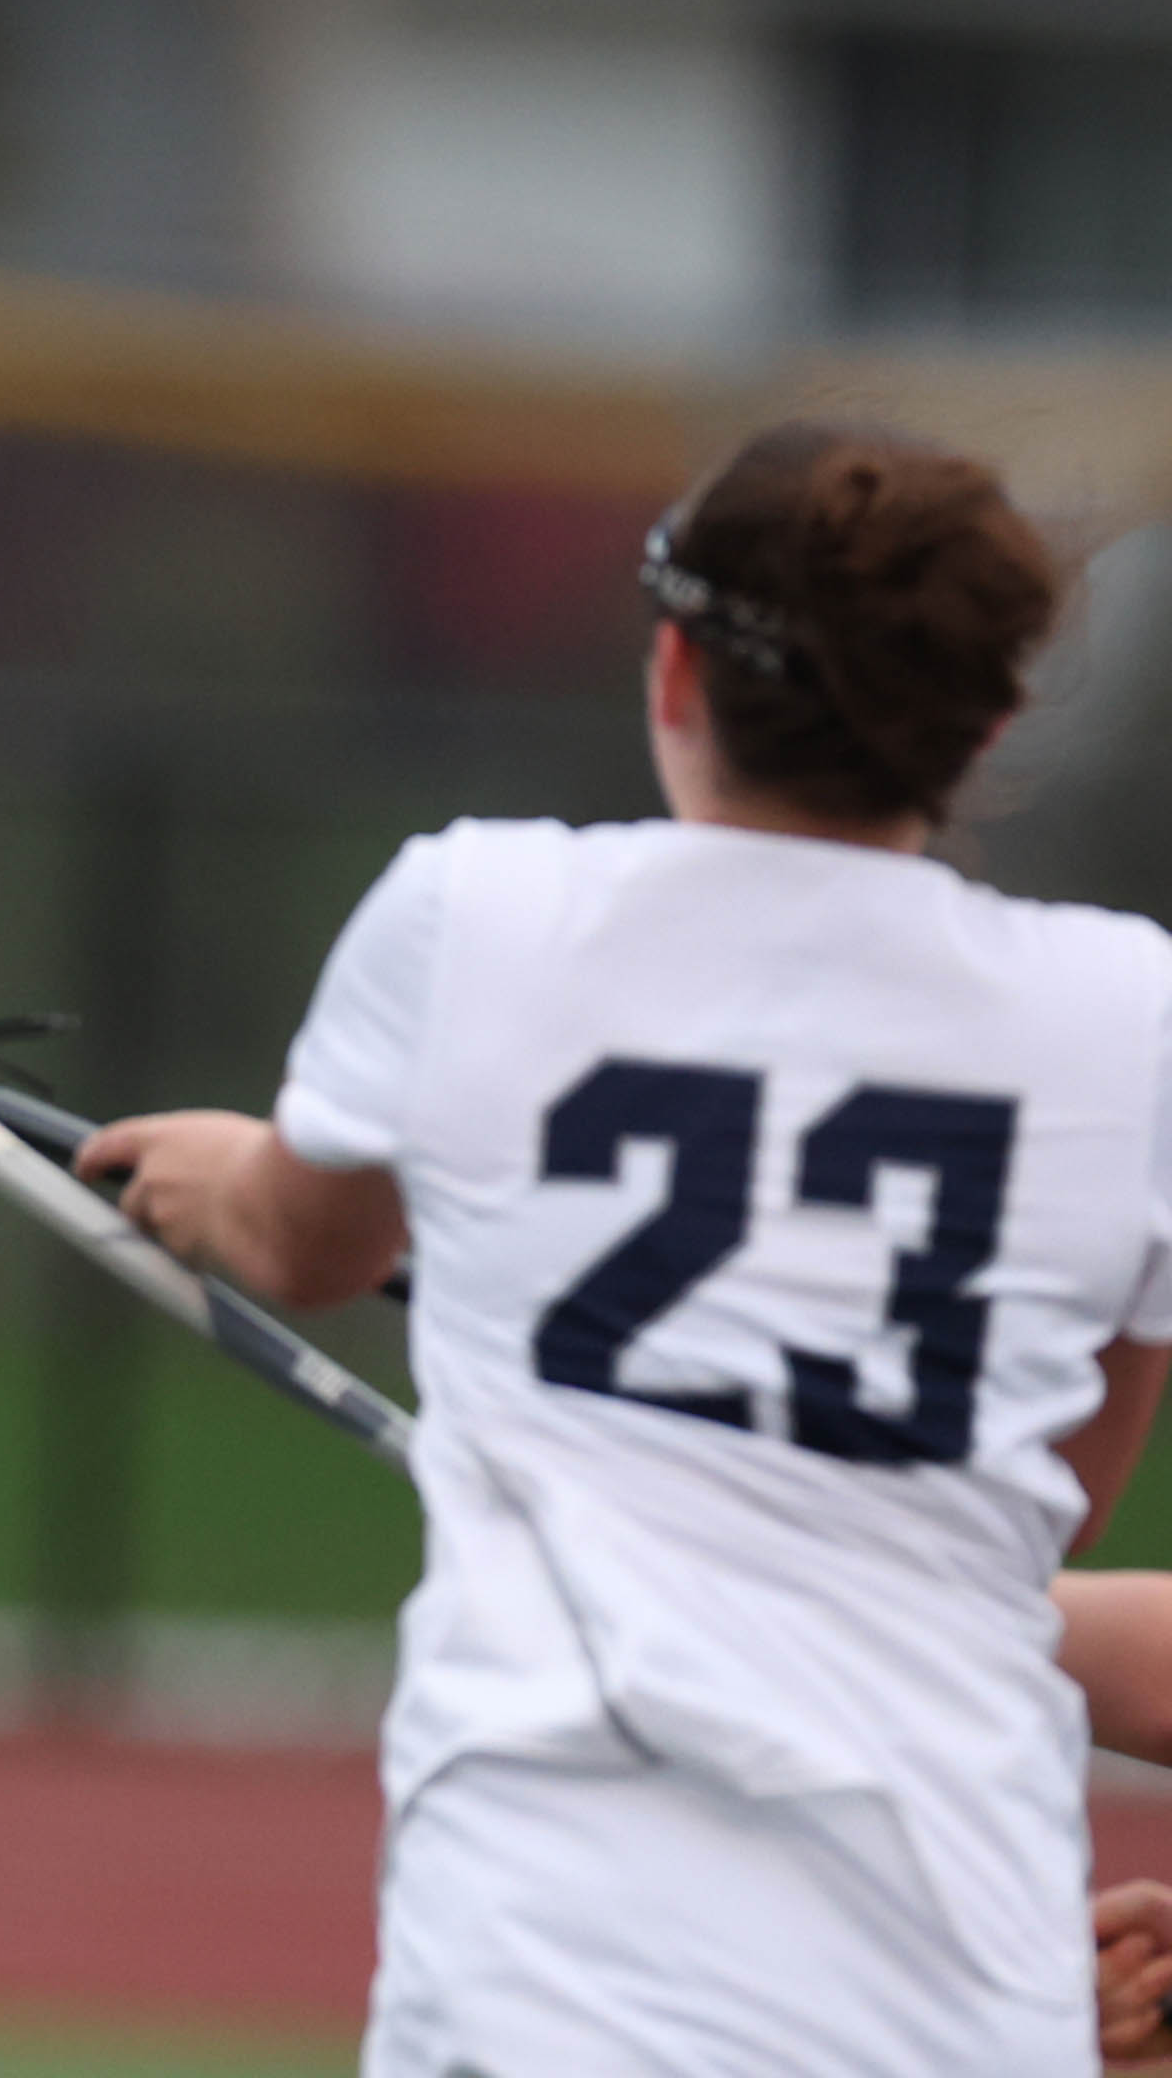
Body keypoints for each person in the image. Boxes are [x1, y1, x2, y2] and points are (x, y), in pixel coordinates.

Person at [78, 422, 1172, 2076]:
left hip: (543, 1979)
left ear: (673, 670)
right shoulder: (1134, 1023)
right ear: (986, 721)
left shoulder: (476, 915)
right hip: (959, 1996)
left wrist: (213, 1176)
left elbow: (294, 1245)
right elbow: (1040, 1511)